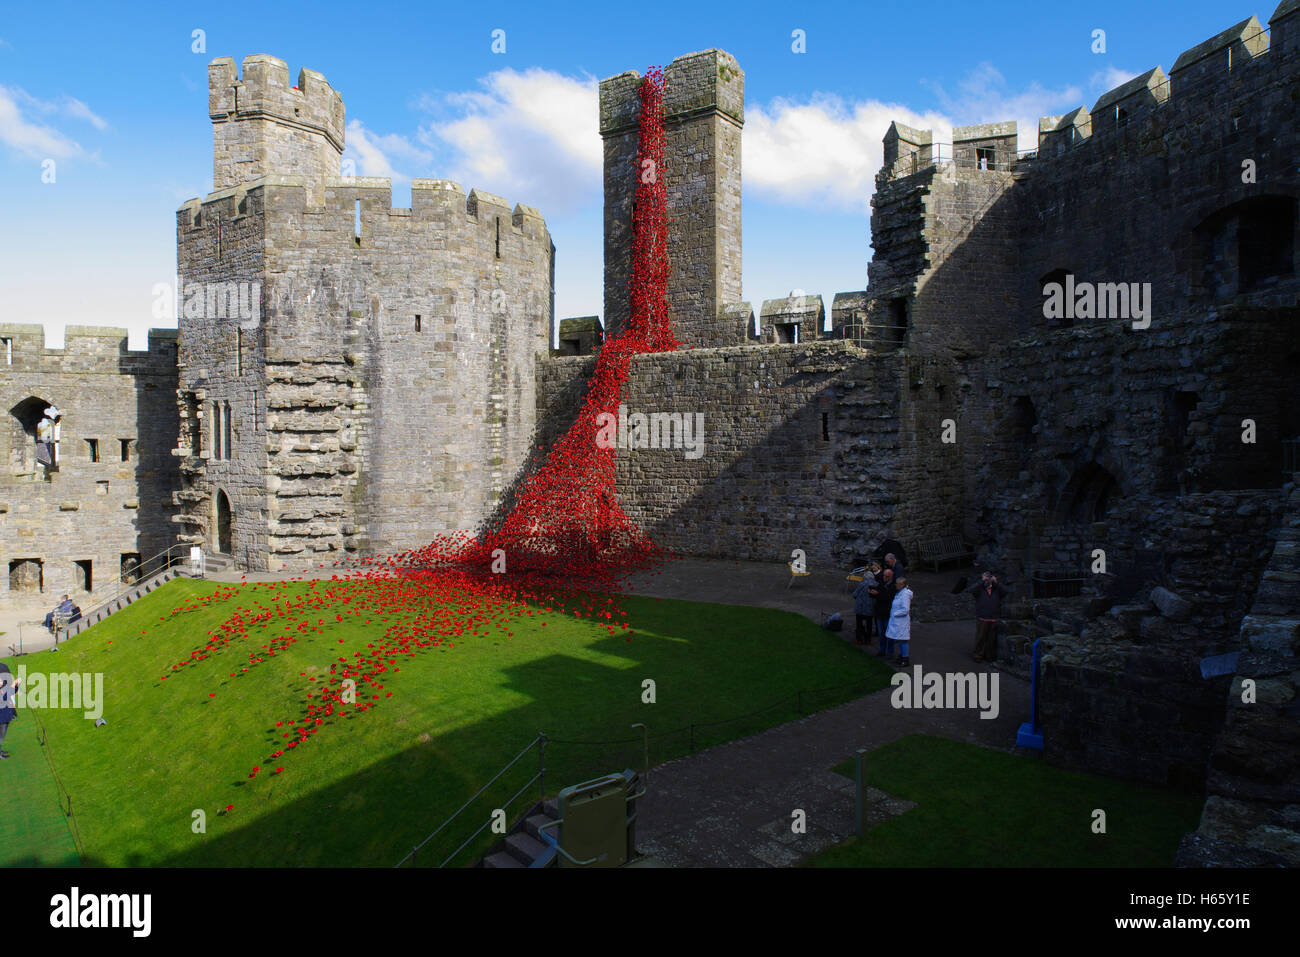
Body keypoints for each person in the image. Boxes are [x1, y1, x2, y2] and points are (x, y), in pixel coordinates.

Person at [970, 571, 1008, 663]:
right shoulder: (979, 589)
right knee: (980, 638)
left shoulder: (997, 589)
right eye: (986, 577)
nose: (988, 580)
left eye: (989, 577)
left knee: (991, 640)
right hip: (982, 618)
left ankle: (989, 656)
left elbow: (1005, 591)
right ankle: (977, 656)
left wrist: (996, 582)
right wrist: (981, 581)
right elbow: (972, 590)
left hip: (994, 618)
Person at [888, 575, 914, 666]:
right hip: (898, 621)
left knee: (903, 640)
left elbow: (905, 609)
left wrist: (895, 614)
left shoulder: (905, 594)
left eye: (898, 584)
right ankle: (901, 656)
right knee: (900, 639)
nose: (896, 585)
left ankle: (905, 658)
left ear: (902, 585)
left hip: (901, 621)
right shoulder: (900, 593)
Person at [852, 563, 880, 645]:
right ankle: (868, 640)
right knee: (869, 624)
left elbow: (854, 594)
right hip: (870, 608)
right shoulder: (876, 584)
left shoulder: (862, 583)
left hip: (860, 607)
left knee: (859, 623)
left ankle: (859, 639)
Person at [873, 567, 896, 657]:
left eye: (887, 577)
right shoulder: (881, 584)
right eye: (884, 576)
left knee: (889, 634)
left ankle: (890, 652)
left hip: (887, 613)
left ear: (891, 577)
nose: (884, 578)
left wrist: (878, 594)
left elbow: (889, 598)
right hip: (880, 611)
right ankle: (882, 650)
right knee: (881, 633)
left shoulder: (893, 587)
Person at [0, 663, 18, 760]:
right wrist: (13, 684)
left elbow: (12, 691)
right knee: (1, 736)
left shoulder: (2, 688)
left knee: (2, 735)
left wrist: (17, 685)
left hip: (5, 716)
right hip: (1, 718)